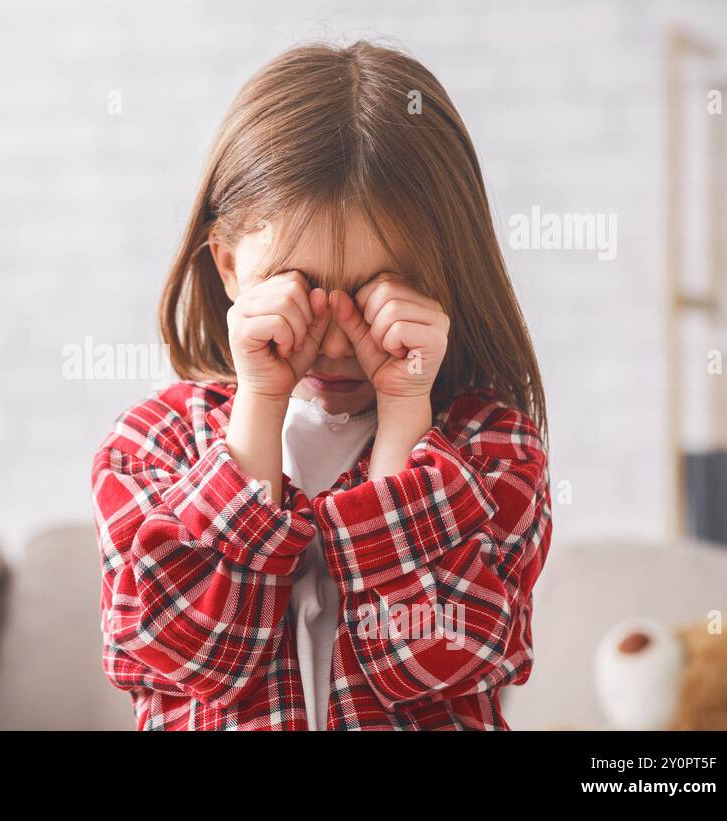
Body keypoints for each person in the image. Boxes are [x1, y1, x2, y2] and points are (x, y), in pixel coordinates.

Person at [90, 42, 552, 730]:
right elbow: (190, 655)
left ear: (444, 274)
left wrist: (404, 417)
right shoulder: (151, 446)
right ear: (227, 267)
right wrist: (259, 406)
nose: (336, 340)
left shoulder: (494, 449)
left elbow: (433, 660)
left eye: (376, 290)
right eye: (300, 287)